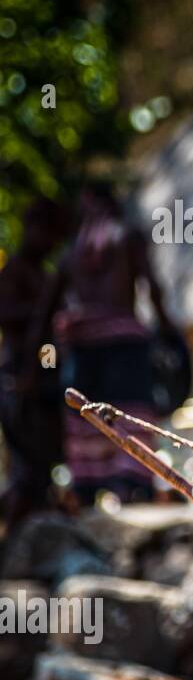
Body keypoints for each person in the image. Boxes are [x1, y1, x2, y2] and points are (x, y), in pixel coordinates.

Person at [48, 184, 179, 506]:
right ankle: (132, 484)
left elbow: (48, 304)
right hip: (124, 343)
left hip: (83, 348)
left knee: (86, 418)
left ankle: (89, 487)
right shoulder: (127, 237)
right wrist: (168, 331)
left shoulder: (72, 249)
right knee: (131, 412)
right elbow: (153, 287)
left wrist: (38, 357)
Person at [0, 197, 71, 528]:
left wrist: (46, 367)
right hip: (18, 378)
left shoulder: (43, 275)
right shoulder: (15, 271)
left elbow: (47, 345)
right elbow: (9, 317)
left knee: (41, 468)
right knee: (26, 470)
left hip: (38, 378)